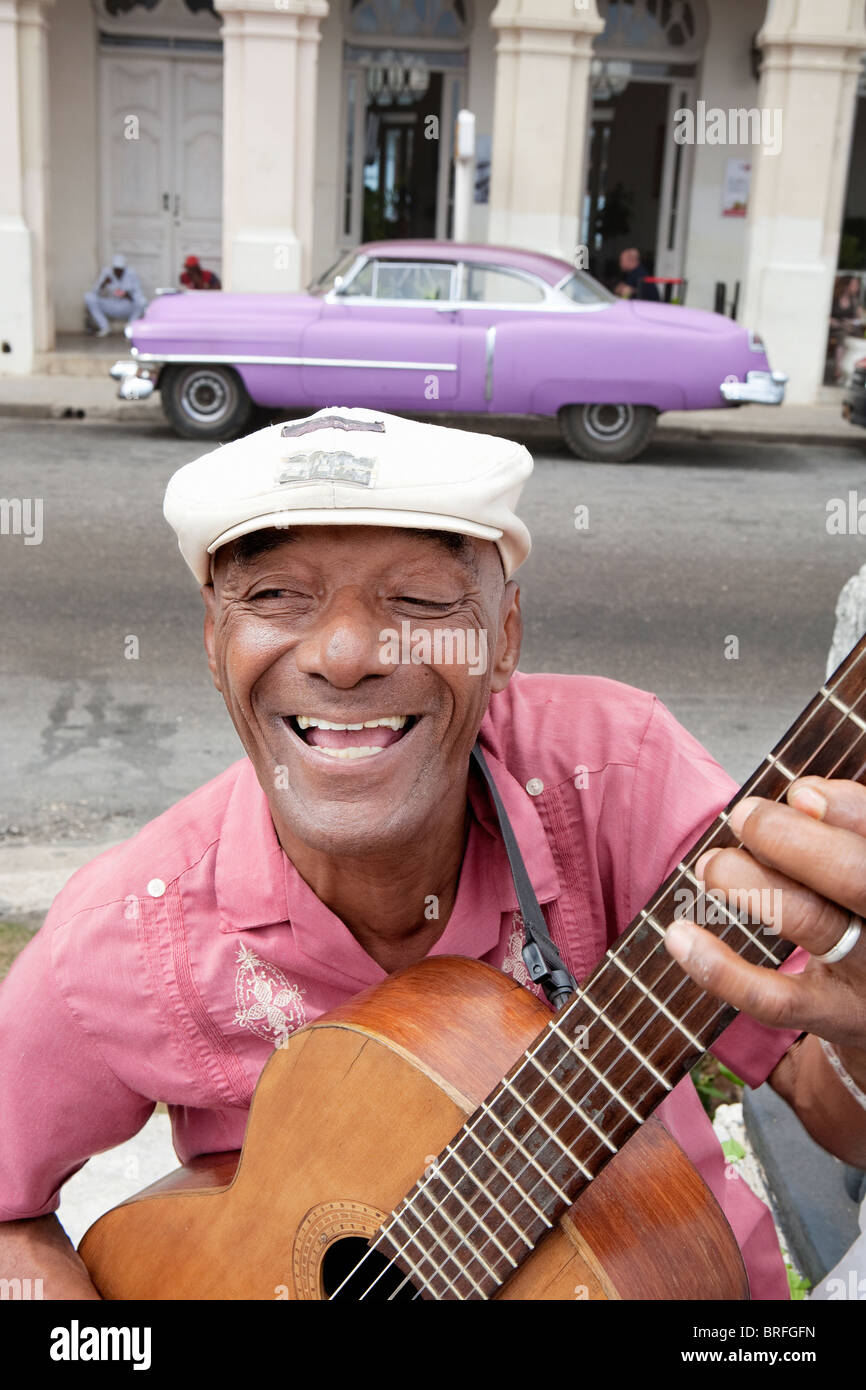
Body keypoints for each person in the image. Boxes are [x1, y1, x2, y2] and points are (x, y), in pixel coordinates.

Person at [1, 407, 865, 1301]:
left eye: (418, 599)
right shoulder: (134, 929)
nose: (343, 656)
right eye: (273, 597)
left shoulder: (617, 779)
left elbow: (831, 1106)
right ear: (215, 644)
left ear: (505, 640)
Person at [84, 254, 147, 337]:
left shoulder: (131, 274)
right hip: (110, 304)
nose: (118, 272)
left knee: (142, 302)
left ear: (124, 269)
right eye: (116, 270)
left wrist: (129, 296)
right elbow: (94, 292)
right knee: (88, 297)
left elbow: (138, 294)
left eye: (120, 270)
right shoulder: (107, 273)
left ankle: (130, 328)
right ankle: (104, 327)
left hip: (126, 305)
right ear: (113, 268)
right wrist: (103, 284)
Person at [828, 274, 864, 383]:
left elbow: (860, 318)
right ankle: (839, 370)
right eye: (854, 285)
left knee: (858, 339)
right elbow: (826, 316)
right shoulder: (834, 299)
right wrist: (837, 323)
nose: (856, 287)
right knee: (841, 336)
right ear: (846, 285)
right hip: (835, 329)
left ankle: (854, 371)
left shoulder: (855, 301)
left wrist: (853, 322)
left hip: (851, 330)